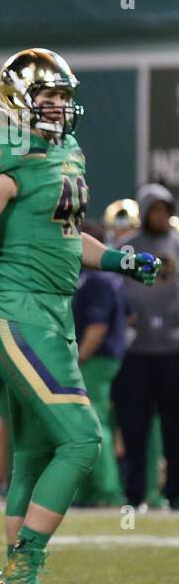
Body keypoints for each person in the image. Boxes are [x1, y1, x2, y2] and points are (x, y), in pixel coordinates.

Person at [0, 48, 158, 584]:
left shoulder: (65, 150)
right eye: (45, 95)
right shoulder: (0, 154)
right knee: (81, 439)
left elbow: (67, 239)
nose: (57, 105)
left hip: (56, 313)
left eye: (63, 95)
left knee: (32, 452)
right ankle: (23, 573)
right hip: (17, 314)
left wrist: (120, 261)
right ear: (14, 98)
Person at [111, 184, 179, 508]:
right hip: (135, 352)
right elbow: (115, 290)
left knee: (174, 426)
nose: (161, 216)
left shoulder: (178, 245)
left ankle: (174, 494)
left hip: (172, 351)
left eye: (165, 210)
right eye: (155, 210)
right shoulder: (126, 248)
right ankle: (135, 494)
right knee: (133, 426)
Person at [72, 220, 129, 506]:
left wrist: (79, 358)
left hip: (96, 358)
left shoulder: (95, 279)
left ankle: (106, 490)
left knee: (93, 422)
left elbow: (97, 326)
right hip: (107, 356)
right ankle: (89, 489)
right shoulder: (108, 278)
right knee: (93, 421)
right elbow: (129, 317)